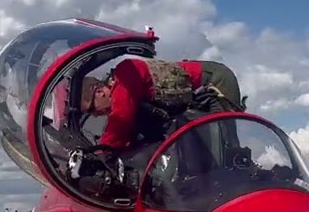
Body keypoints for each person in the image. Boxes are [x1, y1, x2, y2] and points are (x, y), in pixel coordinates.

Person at [80, 57, 245, 150]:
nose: (95, 115)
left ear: (100, 92)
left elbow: (121, 119)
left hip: (214, 81)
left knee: (225, 141)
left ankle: (243, 175)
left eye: (92, 110)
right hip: (198, 92)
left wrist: (103, 151)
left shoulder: (124, 77)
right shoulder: (125, 87)